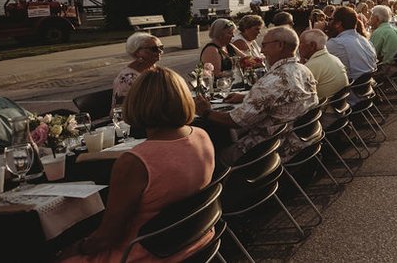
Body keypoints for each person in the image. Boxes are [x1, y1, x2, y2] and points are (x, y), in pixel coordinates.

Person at [65, 67, 215, 261]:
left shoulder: (136, 162)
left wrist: (76, 247)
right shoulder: (201, 135)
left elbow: (107, 237)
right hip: (195, 238)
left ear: (136, 103)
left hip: (146, 254)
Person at [195, 26, 318, 161]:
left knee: (210, 157)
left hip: (274, 150)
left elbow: (237, 121)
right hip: (302, 141)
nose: (261, 50)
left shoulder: (272, 81)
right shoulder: (303, 70)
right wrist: (246, 97)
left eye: (264, 45)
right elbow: (281, 98)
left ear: (280, 45)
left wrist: (206, 112)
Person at [325, 6, 378, 80]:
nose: (328, 22)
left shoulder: (335, 43)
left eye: (331, 19)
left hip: (353, 87)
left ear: (338, 24)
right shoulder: (365, 40)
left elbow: (319, 63)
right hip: (368, 85)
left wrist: (318, 32)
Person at [112, 32, 163, 108]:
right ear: (137, 53)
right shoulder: (127, 78)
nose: (160, 51)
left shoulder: (153, 68)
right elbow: (120, 108)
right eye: (154, 49)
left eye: (161, 47)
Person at [298, 29, 349, 101]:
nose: (298, 47)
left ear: (312, 45)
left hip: (326, 109)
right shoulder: (334, 58)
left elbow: (298, 94)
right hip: (339, 106)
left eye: (301, 43)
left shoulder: (313, 65)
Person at [369, 5, 397, 71]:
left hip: (389, 67)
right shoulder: (395, 28)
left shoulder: (379, 32)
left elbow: (371, 55)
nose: (370, 18)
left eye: (372, 16)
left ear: (377, 18)